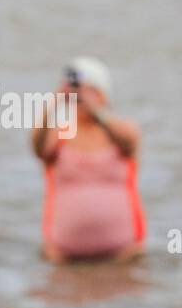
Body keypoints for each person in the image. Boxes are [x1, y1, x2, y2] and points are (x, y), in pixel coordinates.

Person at [31, 57, 145, 263]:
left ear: (102, 94)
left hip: (122, 258)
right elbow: (37, 147)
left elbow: (129, 141)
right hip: (64, 258)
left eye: (88, 90)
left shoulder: (120, 131)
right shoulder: (61, 135)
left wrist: (96, 111)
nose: (80, 97)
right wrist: (54, 102)